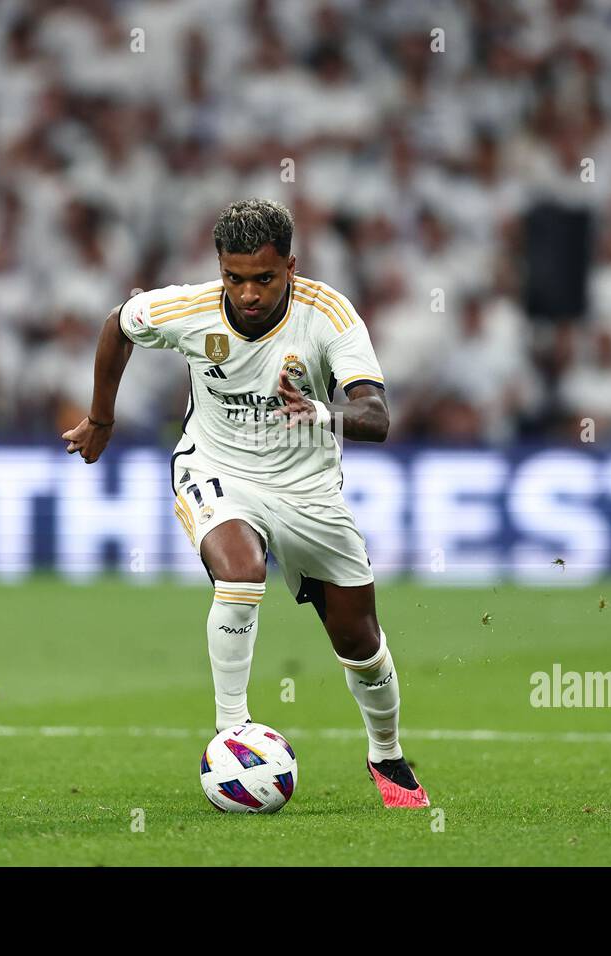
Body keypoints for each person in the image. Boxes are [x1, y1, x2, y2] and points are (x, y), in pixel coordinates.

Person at [63, 199, 429, 808]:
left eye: (264, 278)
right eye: (234, 278)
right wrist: (101, 418)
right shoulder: (189, 310)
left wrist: (318, 410)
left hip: (308, 489)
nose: (249, 293)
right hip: (216, 468)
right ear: (220, 269)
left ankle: (386, 755)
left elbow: (377, 417)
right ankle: (232, 733)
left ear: (291, 265)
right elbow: (117, 324)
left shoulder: (328, 314)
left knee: (359, 643)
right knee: (240, 571)